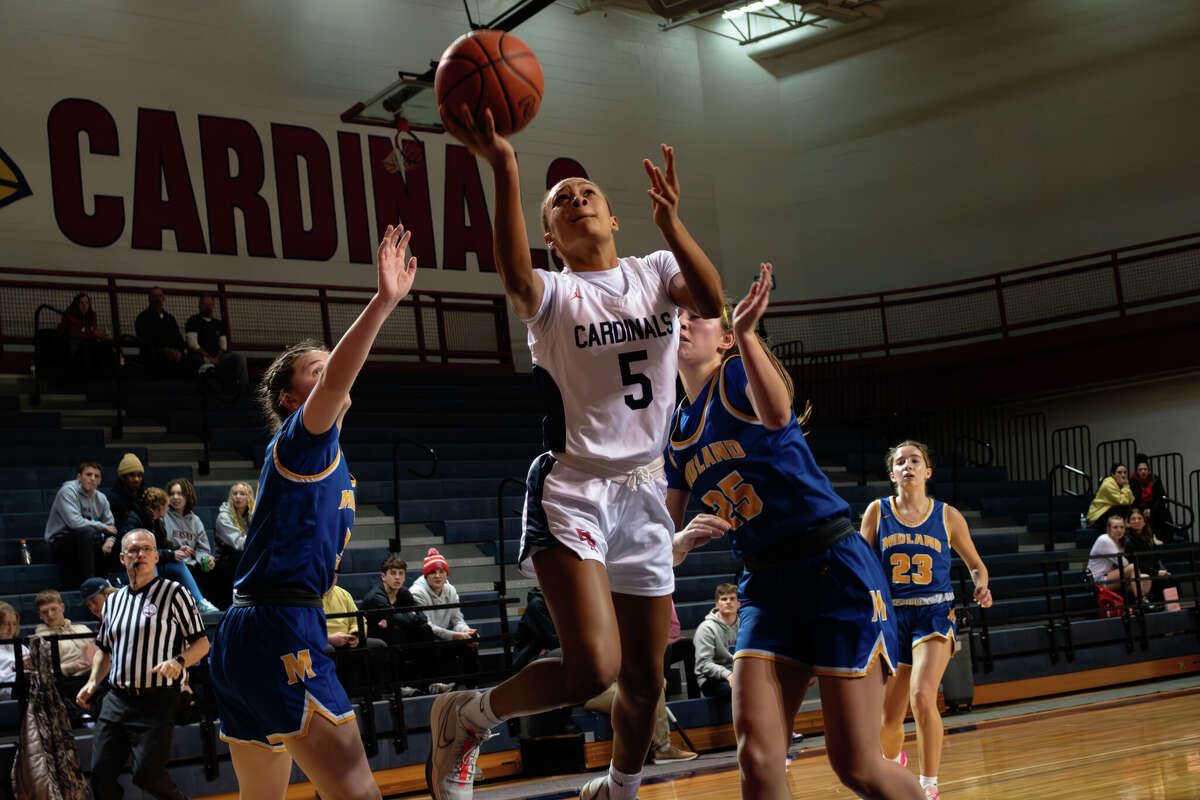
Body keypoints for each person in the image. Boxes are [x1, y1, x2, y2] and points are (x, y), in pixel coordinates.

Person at [432, 97, 724, 800]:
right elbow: (513, 276)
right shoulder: (555, 296)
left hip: (644, 489)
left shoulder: (654, 269)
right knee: (594, 668)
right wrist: (505, 165)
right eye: (561, 201)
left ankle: (619, 791)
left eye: (587, 192)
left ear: (613, 218)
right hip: (573, 488)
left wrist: (673, 222)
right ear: (551, 238)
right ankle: (469, 716)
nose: (576, 200)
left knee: (647, 679)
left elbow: (711, 301)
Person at [669, 265, 922, 800]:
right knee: (757, 760)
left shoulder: (734, 377)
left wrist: (747, 335)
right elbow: (662, 538)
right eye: (676, 316)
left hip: (832, 569)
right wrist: (676, 544)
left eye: (696, 316)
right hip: (764, 586)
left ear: (724, 339)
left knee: (856, 765)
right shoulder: (675, 434)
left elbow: (778, 414)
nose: (682, 322)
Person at [208, 224, 416, 800]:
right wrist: (383, 302)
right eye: (316, 369)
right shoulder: (303, 441)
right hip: (280, 624)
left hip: (246, 629)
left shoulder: (329, 457)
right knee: (356, 792)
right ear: (290, 399)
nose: (332, 373)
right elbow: (341, 376)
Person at [861, 440, 994, 800]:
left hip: (934, 613)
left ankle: (928, 786)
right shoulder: (877, 512)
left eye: (915, 460)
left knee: (922, 696)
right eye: (900, 462)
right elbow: (861, 565)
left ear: (927, 471)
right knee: (889, 719)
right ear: (892, 474)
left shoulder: (948, 516)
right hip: (892, 617)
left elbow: (976, 566)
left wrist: (981, 585)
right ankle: (893, 770)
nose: (907, 465)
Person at [75, 529, 209, 800]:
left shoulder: (175, 593)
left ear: (156, 556)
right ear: (122, 558)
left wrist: (179, 661)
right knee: (100, 777)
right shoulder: (113, 601)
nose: (141, 554)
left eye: (147, 549)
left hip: (157, 699)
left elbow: (202, 644)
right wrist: (92, 682)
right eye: (134, 550)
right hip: (116, 699)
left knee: (147, 775)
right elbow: (104, 649)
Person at [120, 487, 220, 613]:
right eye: (167, 505)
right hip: (137, 564)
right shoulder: (135, 519)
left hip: (155, 561)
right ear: (160, 507)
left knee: (178, 564)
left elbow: (161, 548)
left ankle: (199, 601)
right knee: (151, 563)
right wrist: (171, 554)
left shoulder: (156, 521)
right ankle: (153, 603)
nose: (168, 508)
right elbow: (145, 552)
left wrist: (177, 549)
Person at [359, 554, 435, 689]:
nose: (397, 577)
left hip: (397, 633)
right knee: (394, 630)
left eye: (401, 574)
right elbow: (395, 618)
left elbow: (422, 617)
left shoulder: (403, 592)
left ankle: (429, 682)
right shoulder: (376, 596)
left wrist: (397, 618)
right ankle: (398, 686)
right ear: (383, 576)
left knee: (425, 629)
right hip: (372, 636)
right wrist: (408, 616)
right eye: (393, 573)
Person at [409, 548, 479, 691]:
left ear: (446, 574)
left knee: (470, 644)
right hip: (424, 642)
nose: (438, 576)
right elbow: (428, 626)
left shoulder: (450, 590)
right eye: (433, 572)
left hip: (444, 637)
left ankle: (472, 688)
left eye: (441, 571)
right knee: (427, 635)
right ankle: (433, 685)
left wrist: (466, 631)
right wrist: (456, 635)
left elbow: (457, 620)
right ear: (426, 575)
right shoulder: (417, 593)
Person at [44, 460, 118, 588]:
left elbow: (111, 527)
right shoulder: (67, 492)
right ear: (79, 477)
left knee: (119, 539)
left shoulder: (101, 498)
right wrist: (103, 527)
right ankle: (89, 583)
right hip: (60, 541)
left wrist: (109, 541)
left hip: (87, 540)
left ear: (100, 480)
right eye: (88, 474)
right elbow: (75, 523)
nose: (92, 478)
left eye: (96, 476)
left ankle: (109, 583)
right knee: (87, 533)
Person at [186, 294, 249, 395]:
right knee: (202, 361)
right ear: (200, 306)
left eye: (210, 305)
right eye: (206, 305)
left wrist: (217, 358)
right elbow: (193, 344)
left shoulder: (218, 324)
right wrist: (209, 357)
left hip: (219, 357)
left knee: (239, 358)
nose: (208, 307)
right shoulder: (193, 321)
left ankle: (244, 390)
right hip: (201, 356)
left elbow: (223, 346)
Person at [163, 477, 217, 594]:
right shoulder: (163, 517)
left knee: (215, 571)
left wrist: (207, 559)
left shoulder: (195, 520)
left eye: (180, 494)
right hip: (172, 562)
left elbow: (203, 548)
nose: (175, 497)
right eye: (172, 494)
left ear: (188, 497)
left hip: (192, 565)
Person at [134, 286, 201, 378]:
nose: (158, 299)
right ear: (149, 299)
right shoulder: (143, 318)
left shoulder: (170, 318)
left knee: (195, 359)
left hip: (174, 352)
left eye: (160, 296)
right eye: (154, 296)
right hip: (154, 354)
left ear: (163, 298)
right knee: (167, 355)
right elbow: (147, 340)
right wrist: (169, 350)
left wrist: (179, 351)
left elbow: (178, 338)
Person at [210, 481, 256, 608]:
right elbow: (239, 544)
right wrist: (256, 532)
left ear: (249, 497)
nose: (238, 497)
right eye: (235, 494)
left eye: (242, 494)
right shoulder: (223, 517)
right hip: (225, 561)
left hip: (241, 558)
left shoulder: (251, 516)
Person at [1088, 515, 1152, 603]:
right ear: (1109, 529)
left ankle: (1142, 603)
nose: (1119, 530)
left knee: (1146, 578)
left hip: (1109, 578)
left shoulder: (1119, 542)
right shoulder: (1104, 539)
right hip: (1097, 581)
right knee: (1132, 568)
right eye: (1115, 527)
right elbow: (1124, 563)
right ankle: (1141, 601)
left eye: (1122, 527)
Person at [33, 589, 95, 680]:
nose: (50, 615)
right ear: (40, 615)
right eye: (45, 612)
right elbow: (42, 673)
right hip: (68, 681)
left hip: (96, 674)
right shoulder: (39, 639)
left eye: (54, 609)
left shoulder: (83, 628)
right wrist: (70, 668)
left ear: (62, 607)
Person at [692, 583, 738, 700]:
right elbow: (704, 664)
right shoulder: (706, 628)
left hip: (738, 674)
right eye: (724, 599)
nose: (728, 602)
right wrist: (728, 674)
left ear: (739, 603)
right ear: (717, 604)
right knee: (739, 690)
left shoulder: (744, 625)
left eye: (732, 598)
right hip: (712, 678)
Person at [1124, 508, 1178, 604]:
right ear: (1128, 523)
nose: (1136, 521)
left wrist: (1162, 570)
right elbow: (1136, 563)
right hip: (1141, 572)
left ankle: (1173, 608)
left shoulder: (1148, 536)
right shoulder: (1128, 540)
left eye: (1139, 518)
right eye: (1133, 519)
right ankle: (1163, 608)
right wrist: (1157, 573)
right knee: (1164, 582)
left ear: (1144, 522)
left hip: (1153, 570)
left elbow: (1156, 557)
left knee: (1173, 579)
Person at [59, 292, 116, 375]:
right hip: (74, 342)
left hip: (89, 341)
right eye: (81, 303)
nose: (84, 305)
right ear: (76, 304)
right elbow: (74, 333)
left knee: (106, 344)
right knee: (85, 346)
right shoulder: (69, 315)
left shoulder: (92, 315)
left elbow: (93, 329)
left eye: (86, 303)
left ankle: (111, 369)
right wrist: (91, 331)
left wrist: (101, 334)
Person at [1129, 455, 1177, 541]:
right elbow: (1132, 500)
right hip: (1139, 509)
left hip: (1154, 508)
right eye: (1140, 470)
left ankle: (1169, 537)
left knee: (1165, 513)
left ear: (1149, 470)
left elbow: (1161, 497)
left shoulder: (1155, 479)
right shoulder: (1132, 481)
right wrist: (1141, 511)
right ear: (1136, 471)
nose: (1143, 472)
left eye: (1145, 469)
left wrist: (1151, 510)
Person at [1086, 463, 1134, 531]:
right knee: (1122, 507)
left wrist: (1125, 486)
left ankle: (1125, 524)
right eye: (1119, 472)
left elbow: (1131, 500)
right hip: (1097, 516)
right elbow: (1122, 501)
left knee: (1130, 507)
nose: (1123, 475)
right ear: (1113, 474)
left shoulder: (1121, 484)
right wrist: (1126, 486)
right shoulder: (1108, 483)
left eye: (1125, 472)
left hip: (1108, 511)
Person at [106, 453, 147, 531]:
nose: (136, 479)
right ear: (122, 478)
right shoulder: (112, 500)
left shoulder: (144, 498)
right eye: (132, 475)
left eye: (139, 475)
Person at [0, 601, 27, 700]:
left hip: (27, 685)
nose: (11, 629)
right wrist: (17, 669)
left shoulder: (20, 647)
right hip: (9, 690)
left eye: (14, 624)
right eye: (6, 624)